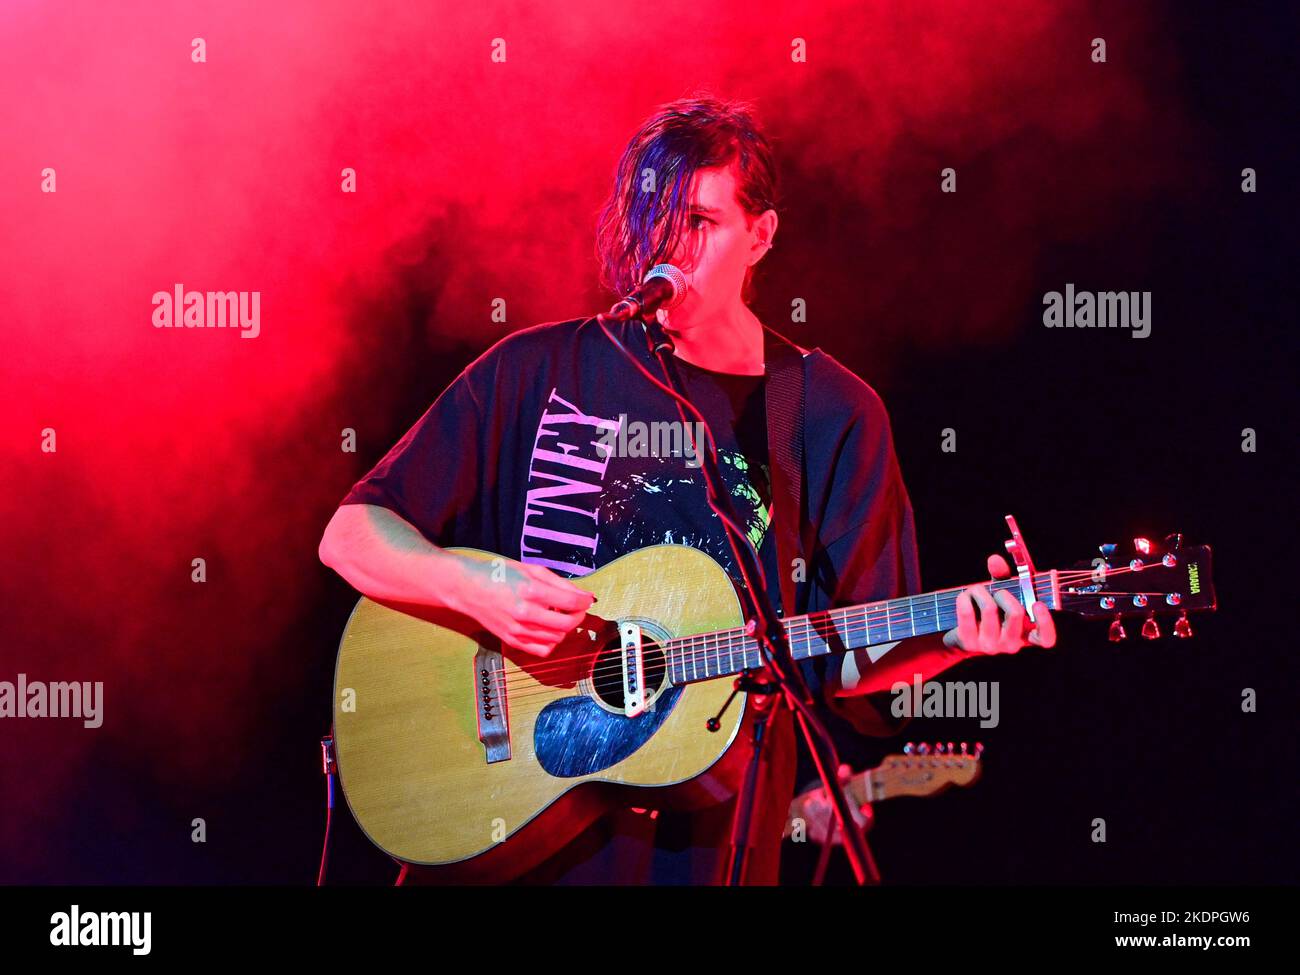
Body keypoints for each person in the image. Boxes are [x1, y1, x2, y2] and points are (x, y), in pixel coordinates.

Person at [317, 94, 1055, 885]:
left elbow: (837, 669)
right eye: (654, 216)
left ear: (761, 236)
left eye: (699, 222)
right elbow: (351, 533)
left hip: (710, 851)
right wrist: (478, 583)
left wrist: (955, 636)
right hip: (505, 825)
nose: (668, 245)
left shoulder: (828, 412)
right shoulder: (537, 368)